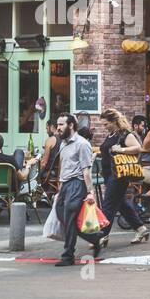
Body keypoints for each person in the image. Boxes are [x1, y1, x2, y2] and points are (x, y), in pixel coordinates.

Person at [52, 113, 100, 266]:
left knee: (70, 217)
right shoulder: (63, 143)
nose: (58, 128)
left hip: (77, 184)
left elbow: (86, 171)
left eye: (61, 124)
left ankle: (68, 255)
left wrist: (90, 192)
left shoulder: (82, 144)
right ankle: (94, 238)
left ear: (71, 125)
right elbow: (63, 167)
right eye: (58, 125)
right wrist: (60, 186)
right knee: (64, 217)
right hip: (65, 184)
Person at [98, 108, 150, 244]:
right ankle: (141, 228)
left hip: (119, 175)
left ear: (114, 121)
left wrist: (121, 149)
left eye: (105, 124)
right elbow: (107, 150)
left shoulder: (124, 134)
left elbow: (138, 148)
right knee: (121, 204)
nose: (104, 127)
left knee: (108, 204)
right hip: (109, 174)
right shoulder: (111, 134)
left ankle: (102, 235)